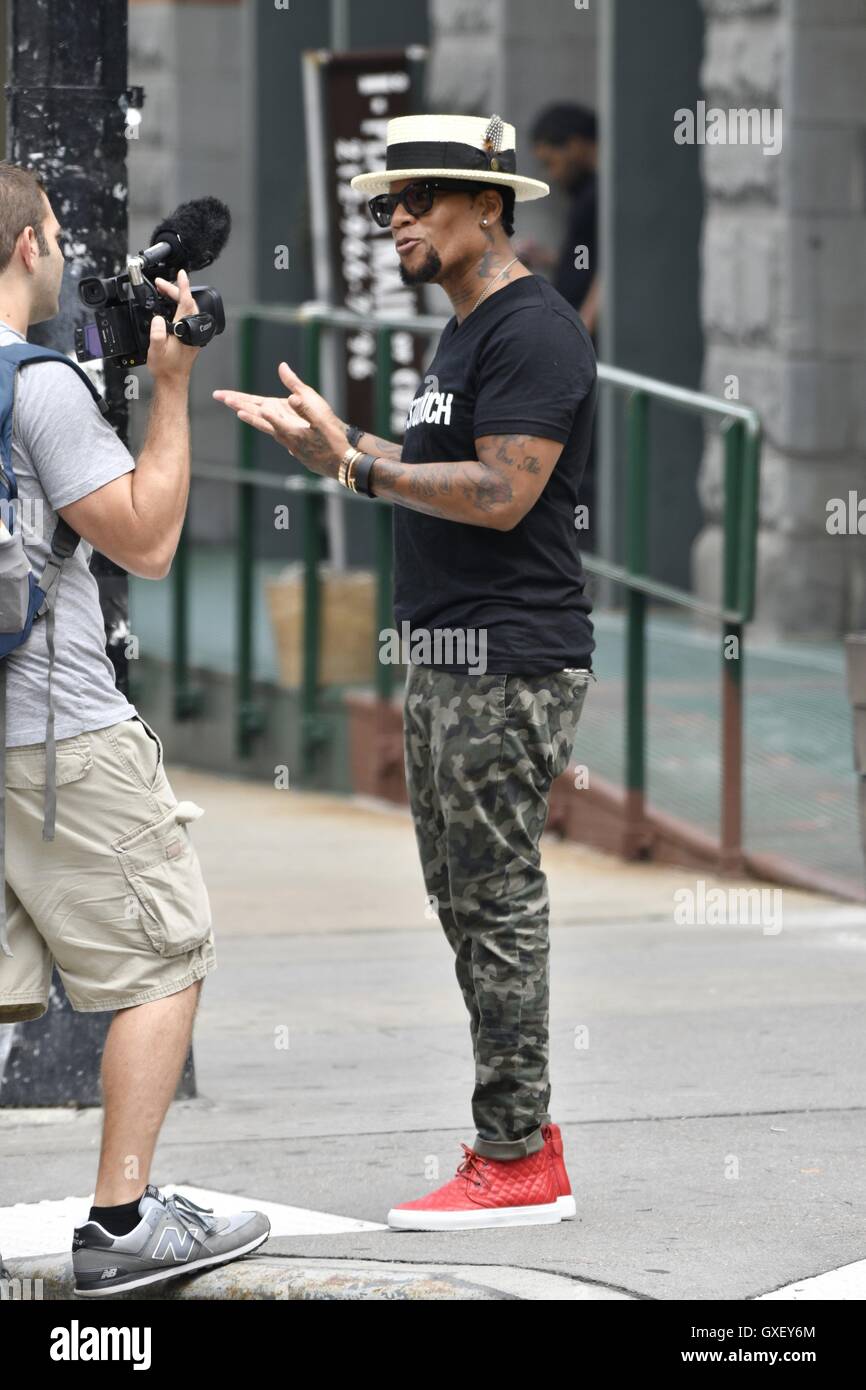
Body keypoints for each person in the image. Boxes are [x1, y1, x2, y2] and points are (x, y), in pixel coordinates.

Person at [215, 113, 598, 1231]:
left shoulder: (530, 329)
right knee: (461, 897)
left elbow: (502, 491)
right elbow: (438, 466)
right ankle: (525, 1129)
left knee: (495, 900)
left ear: (489, 205)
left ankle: (515, 1157)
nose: (395, 222)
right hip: (448, 656)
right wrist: (342, 452)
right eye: (385, 204)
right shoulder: (464, 331)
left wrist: (366, 476)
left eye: (419, 199)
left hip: (506, 656)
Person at [0, 162, 269, 1295]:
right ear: (25, 246)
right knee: (166, 952)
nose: (63, 252)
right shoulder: (38, 386)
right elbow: (147, 539)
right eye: (55, 232)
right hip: (58, 735)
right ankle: (121, 1222)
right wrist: (170, 385)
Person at [529, 103, 599, 335]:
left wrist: (583, 328)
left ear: (575, 146)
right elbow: (588, 261)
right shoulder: (584, 193)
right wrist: (551, 259)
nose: (551, 175)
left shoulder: (600, 194)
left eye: (551, 162)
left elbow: (611, 266)